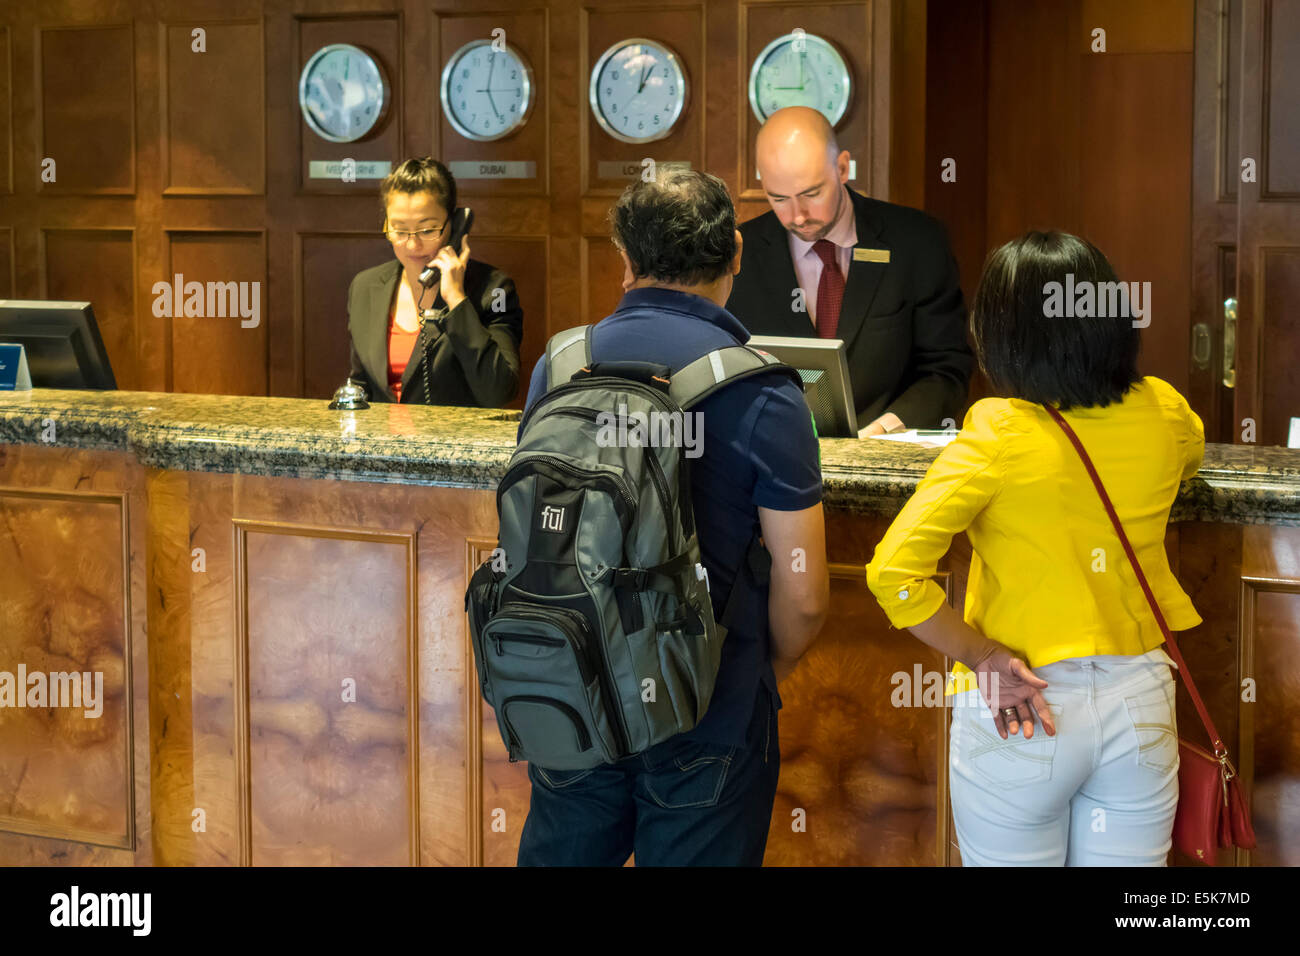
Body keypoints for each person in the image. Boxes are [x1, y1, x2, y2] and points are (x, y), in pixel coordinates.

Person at [514, 169, 829, 866]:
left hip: (571, 693)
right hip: (705, 714)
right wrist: (741, 668)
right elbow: (804, 596)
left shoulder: (561, 364)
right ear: (737, 256)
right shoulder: (766, 392)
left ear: (624, 261)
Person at [865, 230, 1204, 866]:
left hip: (1023, 705)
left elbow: (894, 574)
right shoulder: (1165, 410)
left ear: (1002, 336)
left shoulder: (998, 431)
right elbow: (1189, 462)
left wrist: (982, 655)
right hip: (1141, 705)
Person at [725, 106, 973, 436]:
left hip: (887, 452)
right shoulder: (741, 252)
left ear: (842, 168)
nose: (798, 216)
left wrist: (887, 429)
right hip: (773, 457)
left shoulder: (917, 242)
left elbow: (946, 368)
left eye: (812, 194)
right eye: (779, 198)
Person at [344, 157, 522, 406]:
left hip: (453, 442)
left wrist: (457, 302)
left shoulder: (495, 290)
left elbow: (498, 391)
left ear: (456, 224)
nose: (413, 244)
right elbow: (361, 386)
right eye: (399, 229)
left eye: (427, 230)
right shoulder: (365, 287)